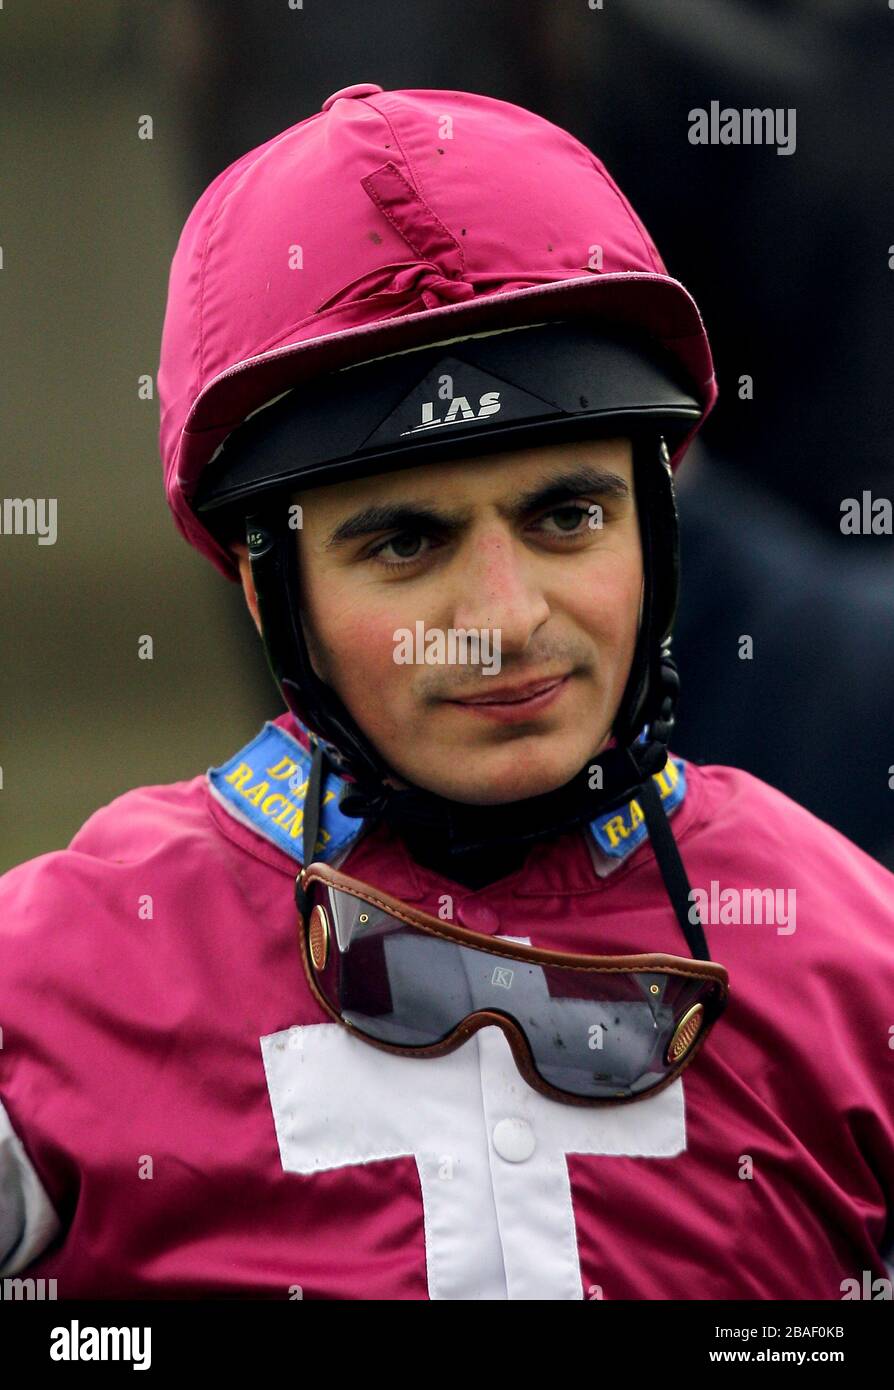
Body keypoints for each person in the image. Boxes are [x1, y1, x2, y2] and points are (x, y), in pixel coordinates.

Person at [1, 85, 891, 1302]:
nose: (505, 622)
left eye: (568, 516)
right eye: (407, 543)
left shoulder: (860, 959)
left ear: (661, 532)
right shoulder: (43, 987)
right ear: (270, 593)